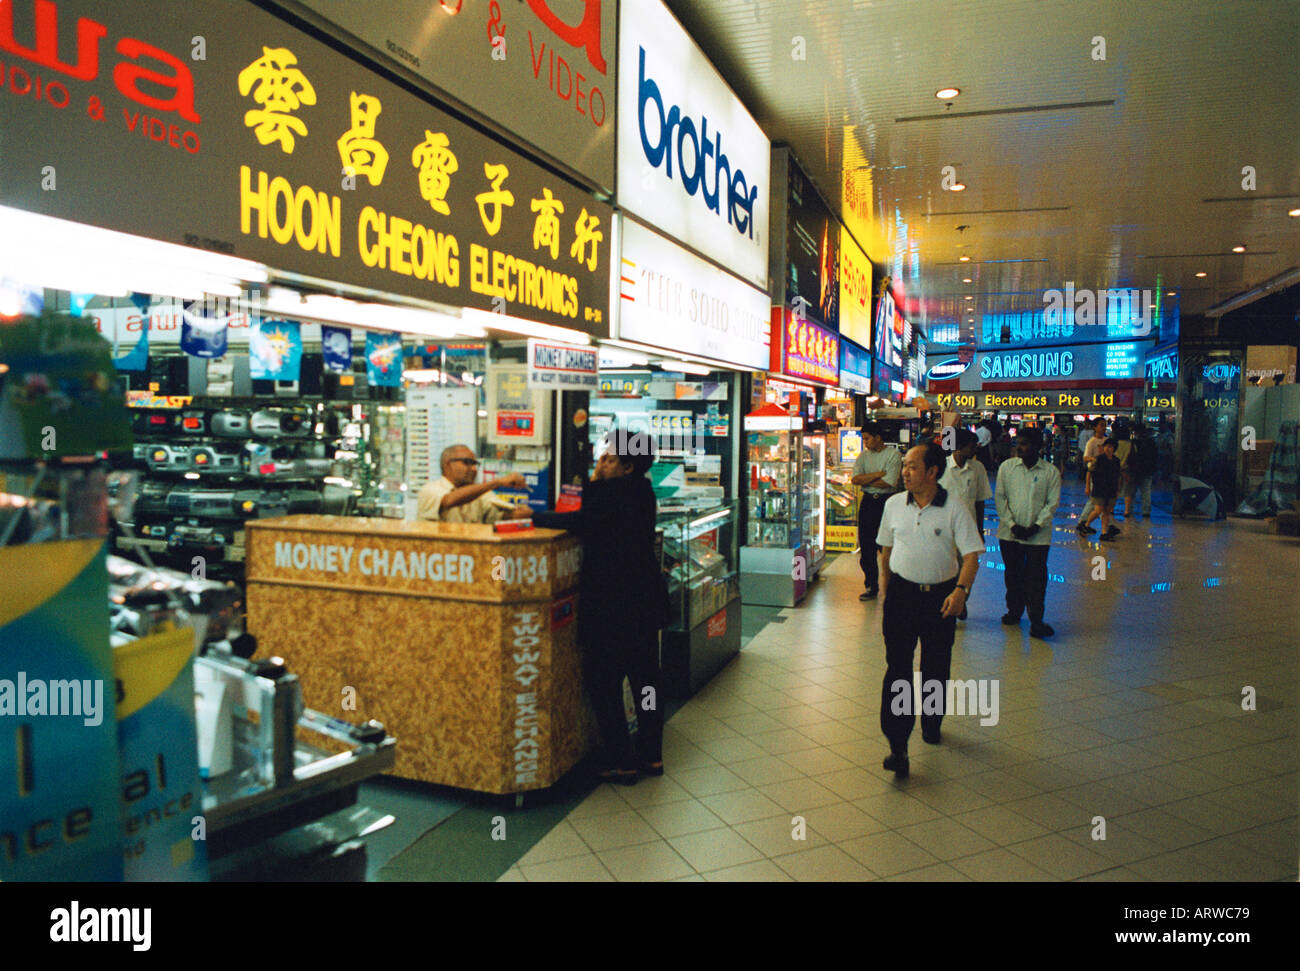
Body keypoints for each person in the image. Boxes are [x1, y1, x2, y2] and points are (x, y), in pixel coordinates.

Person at [534, 432, 669, 785]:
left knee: (605, 685)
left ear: (625, 466)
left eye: (608, 459)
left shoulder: (609, 493)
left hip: (611, 608)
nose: (600, 463)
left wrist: (532, 517)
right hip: (643, 604)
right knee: (647, 685)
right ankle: (652, 755)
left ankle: (621, 761)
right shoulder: (642, 490)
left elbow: (578, 521)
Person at [875, 442, 983, 777]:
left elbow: (971, 556)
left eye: (912, 466)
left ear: (933, 472)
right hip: (902, 596)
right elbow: (885, 551)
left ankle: (932, 723)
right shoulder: (893, 504)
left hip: (940, 599)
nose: (904, 472)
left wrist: (961, 591)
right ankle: (898, 745)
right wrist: (884, 591)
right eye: (904, 465)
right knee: (898, 670)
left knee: (935, 666)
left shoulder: (955, 507)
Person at [995, 427, 1063, 638]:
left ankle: (1036, 620)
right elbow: (1000, 498)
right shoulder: (1007, 468)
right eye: (1018, 443)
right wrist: (1012, 524)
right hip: (1009, 535)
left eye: (1024, 443)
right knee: (1012, 575)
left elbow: (1052, 504)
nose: (1019, 447)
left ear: (1037, 447)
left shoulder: (1050, 472)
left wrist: (1036, 526)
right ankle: (1014, 611)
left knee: (1036, 578)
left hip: (1038, 538)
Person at [938, 428, 992, 620]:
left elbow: (979, 501)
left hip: (967, 530)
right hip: (943, 530)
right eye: (971, 447)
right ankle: (949, 602)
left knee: (968, 568)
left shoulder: (977, 469)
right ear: (959, 447)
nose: (974, 450)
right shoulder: (941, 468)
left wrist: (979, 529)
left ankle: (961, 600)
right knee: (946, 569)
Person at [851, 421, 903, 600]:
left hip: (887, 503)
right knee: (867, 547)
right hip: (868, 504)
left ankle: (892, 585)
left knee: (888, 547)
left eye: (867, 438)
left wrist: (867, 479)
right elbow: (855, 480)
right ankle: (871, 585)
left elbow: (890, 482)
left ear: (878, 437)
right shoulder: (863, 457)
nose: (865, 442)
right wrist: (877, 474)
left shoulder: (893, 455)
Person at [416, 444, 532, 523]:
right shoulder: (430, 489)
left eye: (475, 464)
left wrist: (520, 514)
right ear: (447, 465)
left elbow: (498, 517)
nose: (473, 469)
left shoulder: (481, 494)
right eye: (467, 462)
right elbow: (449, 500)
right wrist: (497, 482)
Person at [1078, 438, 1122, 540]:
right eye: (1106, 446)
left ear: (1114, 449)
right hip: (1099, 488)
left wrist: (1118, 489)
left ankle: (1104, 533)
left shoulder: (1116, 461)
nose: (1107, 449)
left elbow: (1118, 476)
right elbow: (1089, 472)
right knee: (1098, 510)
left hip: (1111, 489)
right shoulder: (1098, 459)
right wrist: (1087, 486)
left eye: (1110, 447)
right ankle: (1086, 524)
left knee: (1106, 512)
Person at [1076, 419, 1107, 534]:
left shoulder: (1106, 441)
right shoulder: (1092, 442)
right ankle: (1083, 522)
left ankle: (1102, 526)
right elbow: (1085, 457)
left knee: (1100, 501)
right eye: (1101, 425)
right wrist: (1097, 459)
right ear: (1095, 427)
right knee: (1094, 500)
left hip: (1105, 474)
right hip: (1095, 473)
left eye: (1105, 425)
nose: (1104, 428)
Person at [1126, 425, 1157, 518]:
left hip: (1135, 470)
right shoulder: (1151, 442)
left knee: (1132, 491)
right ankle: (1146, 511)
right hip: (1147, 470)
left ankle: (1129, 509)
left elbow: (1130, 456)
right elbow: (1155, 457)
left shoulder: (1134, 443)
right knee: (1146, 491)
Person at [1112, 426, 1133, 520]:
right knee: (1127, 490)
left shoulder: (1115, 444)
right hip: (1127, 469)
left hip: (1115, 469)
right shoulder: (1131, 445)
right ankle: (1127, 510)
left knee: (1115, 489)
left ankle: (1111, 508)